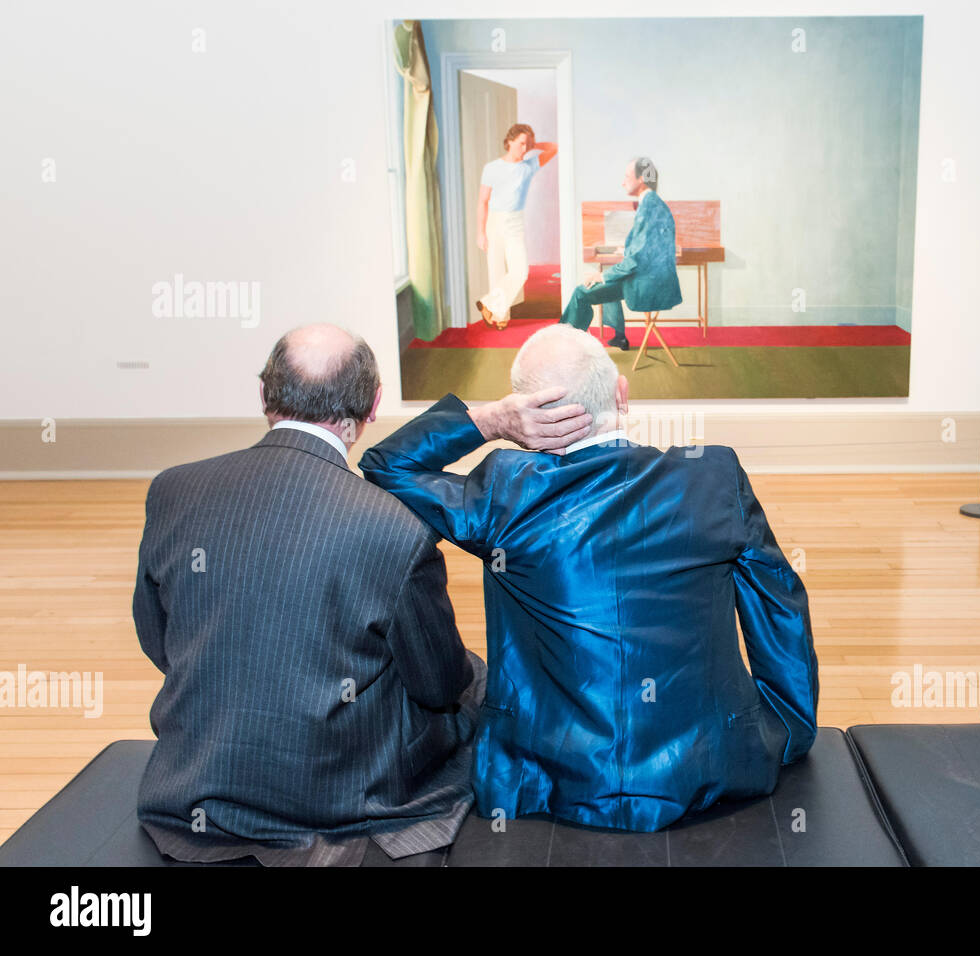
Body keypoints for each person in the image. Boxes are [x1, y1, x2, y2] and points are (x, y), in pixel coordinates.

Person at [132, 323, 588, 865]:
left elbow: (158, 639)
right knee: (481, 680)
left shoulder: (173, 488)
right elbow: (438, 683)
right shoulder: (394, 526)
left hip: (195, 781)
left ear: (262, 394)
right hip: (337, 795)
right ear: (372, 407)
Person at [360, 325, 819, 833]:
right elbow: (780, 608)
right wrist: (787, 731)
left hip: (549, 778)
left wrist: (488, 421)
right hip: (713, 768)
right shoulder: (714, 476)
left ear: (525, 413)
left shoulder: (504, 493)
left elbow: (386, 464)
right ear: (621, 393)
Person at [559, 157, 683, 350]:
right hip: (654, 280)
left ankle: (566, 345)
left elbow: (635, 261)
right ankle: (619, 336)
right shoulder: (653, 204)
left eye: (627, 176)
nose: (622, 182)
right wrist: (625, 250)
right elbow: (648, 248)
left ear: (641, 179)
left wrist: (602, 275)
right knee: (611, 278)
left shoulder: (648, 207)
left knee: (581, 292)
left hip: (648, 285)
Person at [475, 123, 558, 330]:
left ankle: (488, 303)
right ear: (509, 141)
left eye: (527, 145)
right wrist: (480, 232)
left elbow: (554, 148)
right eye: (521, 143)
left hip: (514, 223)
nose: (524, 149)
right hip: (494, 222)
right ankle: (500, 315)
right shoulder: (491, 168)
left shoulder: (529, 166)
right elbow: (483, 201)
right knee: (496, 271)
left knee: (520, 271)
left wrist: (532, 143)